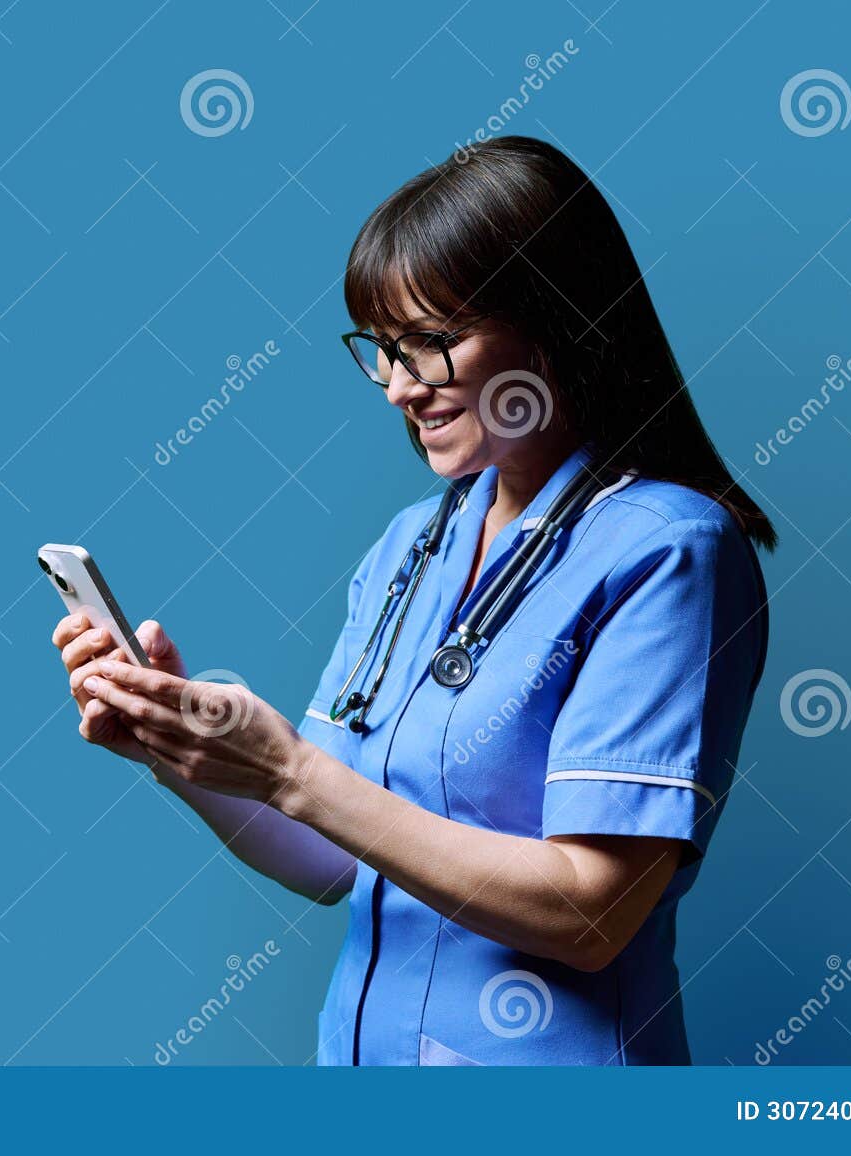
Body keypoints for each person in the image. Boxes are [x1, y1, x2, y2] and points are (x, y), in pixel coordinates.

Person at [53, 136, 774, 1065]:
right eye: (384, 350)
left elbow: (591, 913)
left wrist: (289, 772)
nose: (399, 386)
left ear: (555, 321)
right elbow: (333, 858)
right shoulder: (410, 547)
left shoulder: (668, 551)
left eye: (433, 342)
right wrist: (185, 752)